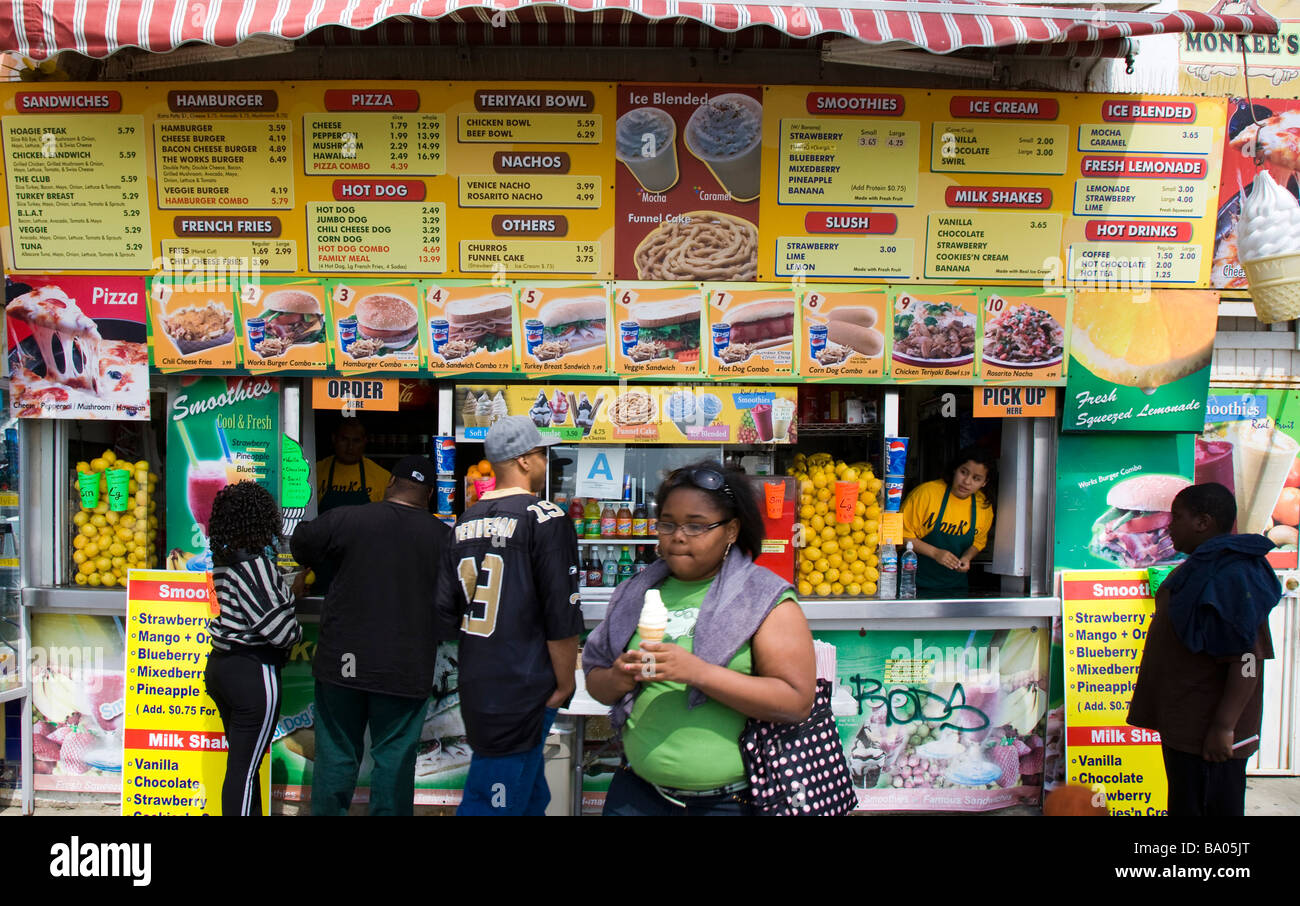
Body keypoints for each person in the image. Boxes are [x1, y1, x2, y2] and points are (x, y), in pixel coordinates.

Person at [583, 461, 816, 816]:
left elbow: (796, 702)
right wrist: (619, 677)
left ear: (732, 530)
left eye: (696, 526)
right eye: (668, 524)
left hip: (730, 803)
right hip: (637, 794)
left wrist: (697, 672)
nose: (678, 536)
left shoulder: (764, 598)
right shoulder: (634, 592)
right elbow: (597, 684)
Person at [434, 416, 582, 816]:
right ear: (523, 460)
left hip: (479, 680)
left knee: (530, 795)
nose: (547, 463)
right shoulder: (545, 518)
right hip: (525, 682)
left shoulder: (463, 522)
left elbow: (445, 613)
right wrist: (566, 681)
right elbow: (562, 614)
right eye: (542, 454)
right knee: (492, 801)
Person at [291, 455, 451, 816]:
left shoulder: (351, 518)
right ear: (428, 496)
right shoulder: (444, 537)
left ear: (390, 483)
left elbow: (301, 541)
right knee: (393, 761)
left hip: (343, 663)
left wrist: (327, 562)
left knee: (337, 753)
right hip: (405, 666)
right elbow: (456, 599)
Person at [1128, 482, 1279, 817]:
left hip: (1210, 739)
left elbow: (1247, 660)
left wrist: (1224, 727)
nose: (1168, 526)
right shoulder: (1203, 568)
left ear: (1203, 522)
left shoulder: (1232, 574)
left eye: (1177, 517)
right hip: (1187, 728)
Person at [203, 481, 303, 817]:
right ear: (262, 520)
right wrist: (291, 602)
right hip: (252, 672)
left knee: (243, 765)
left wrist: (284, 593)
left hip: (221, 666)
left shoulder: (222, 560)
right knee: (244, 771)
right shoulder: (255, 565)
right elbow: (282, 633)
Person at [901, 445, 995, 598]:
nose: (967, 482)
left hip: (956, 588)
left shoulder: (983, 505)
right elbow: (900, 535)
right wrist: (935, 553)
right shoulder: (927, 494)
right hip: (913, 587)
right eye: (963, 472)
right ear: (955, 469)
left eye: (976, 479)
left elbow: (978, 542)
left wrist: (967, 557)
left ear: (984, 482)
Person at [316, 419, 391, 512]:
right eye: (344, 439)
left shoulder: (383, 477)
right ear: (334, 439)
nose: (350, 447)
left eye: (356, 441)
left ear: (365, 441)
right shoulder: (315, 473)